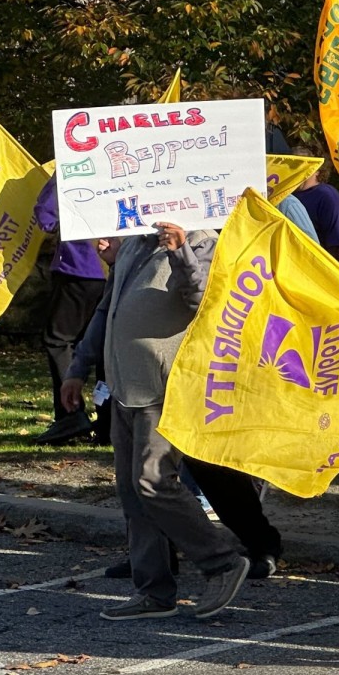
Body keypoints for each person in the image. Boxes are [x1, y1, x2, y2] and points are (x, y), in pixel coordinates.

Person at [63, 223, 250, 620]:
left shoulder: (205, 242)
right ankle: (153, 591)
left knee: (153, 480)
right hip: (124, 384)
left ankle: (222, 563)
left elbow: (203, 300)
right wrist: (78, 366)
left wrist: (181, 252)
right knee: (133, 492)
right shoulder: (134, 243)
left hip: (166, 386)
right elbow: (105, 309)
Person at [30, 179, 109, 448]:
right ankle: (109, 420)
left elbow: (46, 217)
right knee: (104, 344)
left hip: (80, 267)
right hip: (118, 265)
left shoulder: (70, 166)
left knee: (58, 339)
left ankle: (70, 415)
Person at [293, 144, 339, 267]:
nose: (295, 170)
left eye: (301, 165)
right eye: (292, 165)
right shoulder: (288, 197)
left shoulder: (327, 197)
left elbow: (338, 246)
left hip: (321, 273)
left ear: (317, 170)